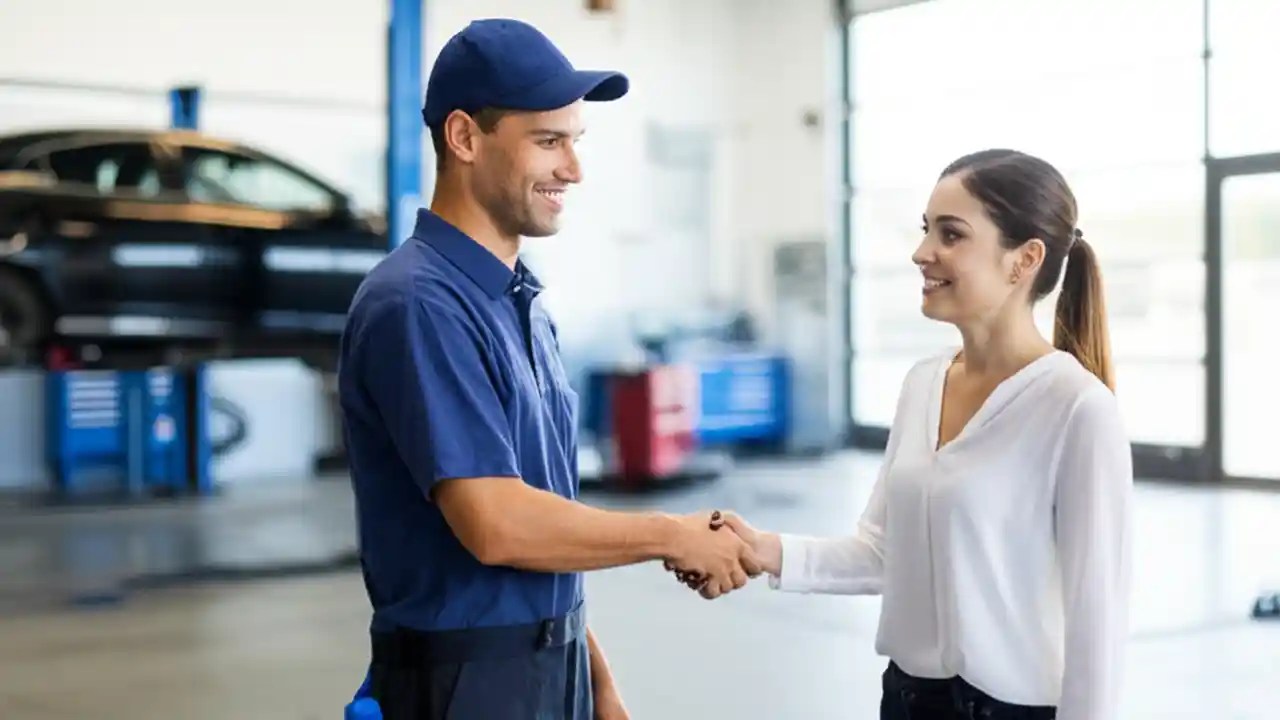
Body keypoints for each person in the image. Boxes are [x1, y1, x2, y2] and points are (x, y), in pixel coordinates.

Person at [337, 18, 760, 720]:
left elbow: (545, 516)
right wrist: (669, 534)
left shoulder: (518, 300)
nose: (574, 168)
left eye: (576, 140)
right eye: (548, 141)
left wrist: (592, 676)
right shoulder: (417, 304)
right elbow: (498, 524)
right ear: (466, 138)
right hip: (467, 686)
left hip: (546, 665)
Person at [714, 150, 1134, 720]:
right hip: (909, 701)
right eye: (926, 229)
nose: (921, 252)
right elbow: (886, 552)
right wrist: (768, 552)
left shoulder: (1078, 408)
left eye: (951, 234)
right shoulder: (923, 383)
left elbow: (1097, 622)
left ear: (1024, 259)